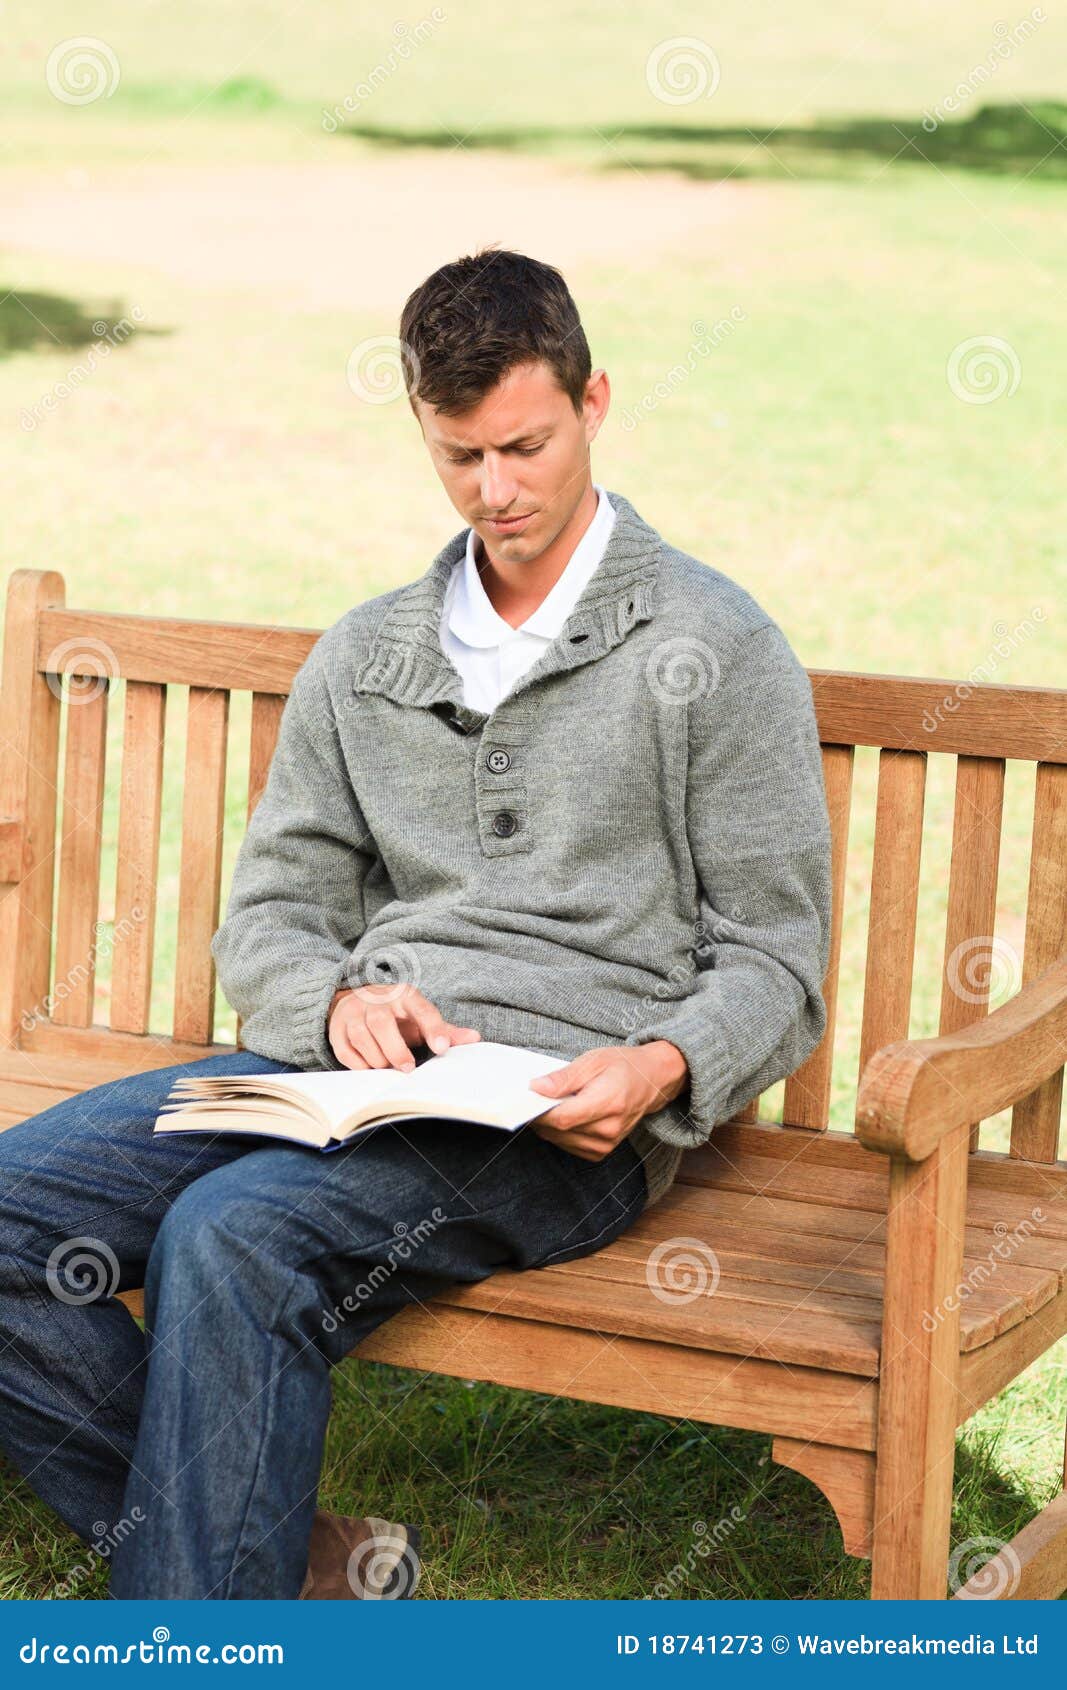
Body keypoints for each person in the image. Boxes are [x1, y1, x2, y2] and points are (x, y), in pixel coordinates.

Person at [0, 246, 833, 1601]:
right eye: (460, 457)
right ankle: (249, 1561)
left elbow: (777, 957)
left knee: (232, 1236)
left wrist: (662, 1067)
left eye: (525, 445)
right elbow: (274, 908)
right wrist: (333, 1002)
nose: (497, 492)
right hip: (346, 1079)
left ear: (594, 401)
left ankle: (206, 1612)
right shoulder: (369, 650)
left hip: (568, 1115)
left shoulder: (714, 645)